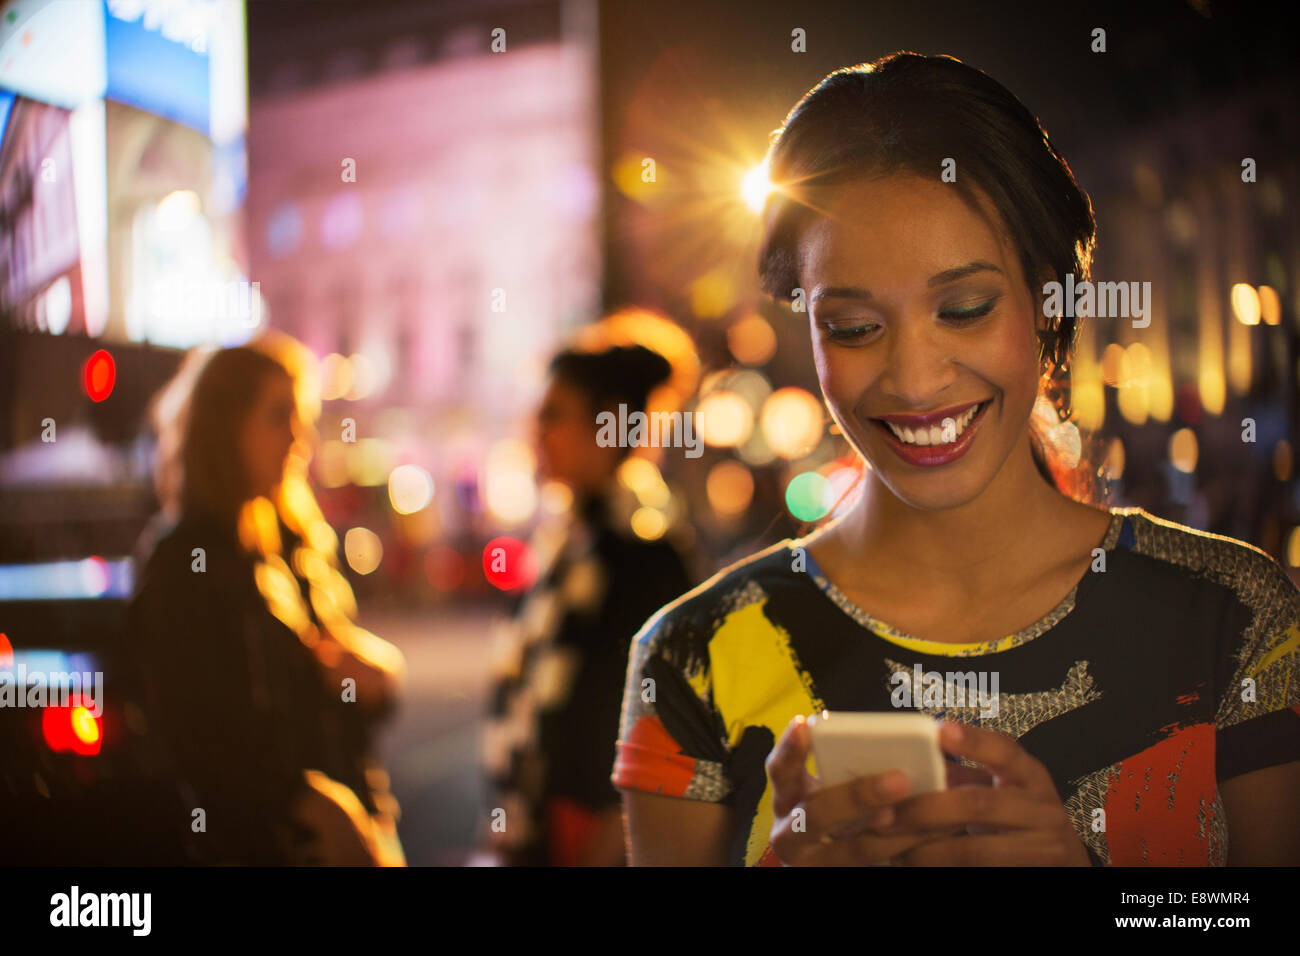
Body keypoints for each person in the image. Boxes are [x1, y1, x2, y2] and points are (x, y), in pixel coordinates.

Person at [614, 53, 1300, 866]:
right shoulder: (694, 657)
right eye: (854, 327)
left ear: (1050, 303)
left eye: (964, 309)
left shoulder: (1236, 619)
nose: (914, 380)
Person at [127, 339, 406, 865]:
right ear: (225, 425)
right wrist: (305, 802)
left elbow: (337, 690)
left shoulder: (289, 543)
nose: (299, 438)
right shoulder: (185, 561)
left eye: (301, 418)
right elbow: (196, 740)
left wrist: (376, 678)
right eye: (280, 416)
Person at [482, 344, 694, 865]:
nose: (536, 430)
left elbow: (659, 717)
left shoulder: (644, 555)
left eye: (553, 414)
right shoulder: (566, 545)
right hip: (539, 828)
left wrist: (611, 824)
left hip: (591, 839)